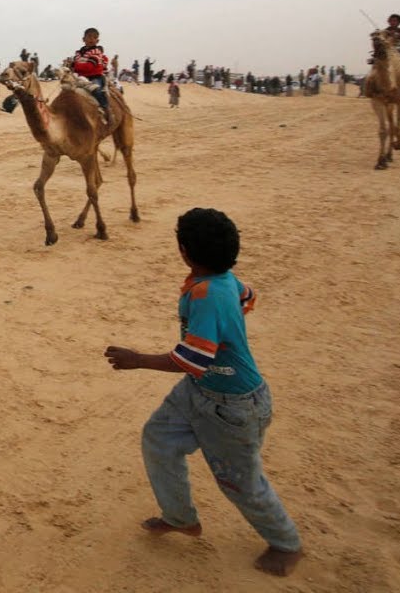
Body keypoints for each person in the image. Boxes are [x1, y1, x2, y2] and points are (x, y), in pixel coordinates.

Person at [103, 207, 304, 578]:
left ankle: (286, 542)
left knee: (240, 482)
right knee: (158, 439)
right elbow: (248, 298)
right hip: (200, 391)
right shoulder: (225, 280)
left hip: (233, 407)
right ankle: (179, 517)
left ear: (184, 251)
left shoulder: (206, 295)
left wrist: (138, 360)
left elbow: (193, 359)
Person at [70, 28, 112, 123]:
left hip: (94, 77)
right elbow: (73, 66)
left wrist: (75, 65)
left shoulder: (96, 52)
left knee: (96, 91)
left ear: (97, 41)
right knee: (66, 89)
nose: (91, 39)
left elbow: (89, 67)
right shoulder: (78, 53)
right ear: (83, 39)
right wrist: (71, 66)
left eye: (94, 37)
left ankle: (106, 108)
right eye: (89, 37)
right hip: (80, 78)